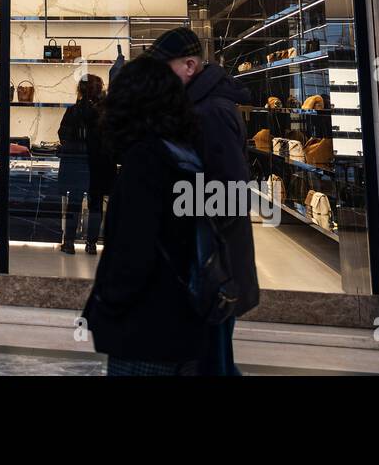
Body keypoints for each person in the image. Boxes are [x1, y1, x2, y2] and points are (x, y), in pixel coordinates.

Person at [81, 55, 206, 375]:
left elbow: (132, 252)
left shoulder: (145, 164)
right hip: (184, 318)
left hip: (144, 327)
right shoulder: (185, 156)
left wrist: (106, 305)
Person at [147, 26, 259, 376]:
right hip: (205, 264)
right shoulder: (196, 106)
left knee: (211, 360)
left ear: (190, 66)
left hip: (211, 267)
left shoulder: (209, 112)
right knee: (208, 358)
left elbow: (231, 194)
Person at [56, 74, 111, 255]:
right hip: (98, 164)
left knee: (74, 202)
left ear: (79, 90)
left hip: (76, 163)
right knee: (95, 204)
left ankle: (69, 242)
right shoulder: (105, 113)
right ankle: (92, 244)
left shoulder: (73, 111)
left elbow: (63, 134)